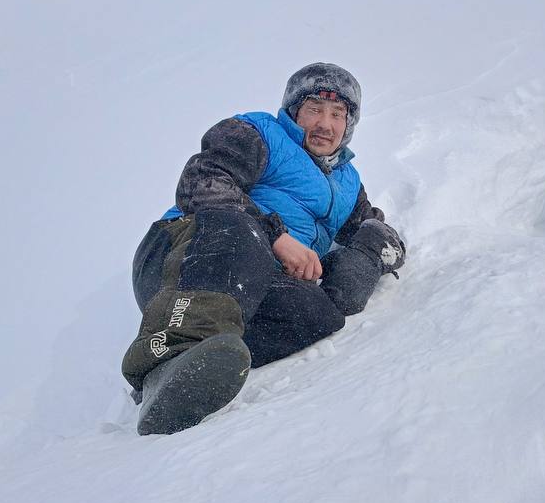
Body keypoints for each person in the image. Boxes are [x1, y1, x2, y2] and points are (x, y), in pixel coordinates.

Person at [121, 63, 405, 435]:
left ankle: (204, 367)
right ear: (293, 111)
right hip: (187, 252)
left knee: (317, 314)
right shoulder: (258, 133)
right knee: (240, 228)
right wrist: (276, 237)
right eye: (314, 109)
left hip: (247, 286)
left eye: (338, 114)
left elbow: (379, 232)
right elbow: (203, 182)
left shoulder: (348, 183)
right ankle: (165, 353)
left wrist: (362, 261)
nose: (325, 123)